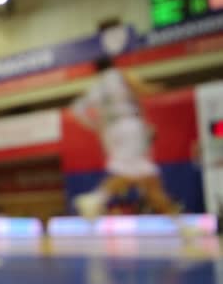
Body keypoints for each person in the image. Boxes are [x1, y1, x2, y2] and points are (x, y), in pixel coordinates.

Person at [70, 58, 180, 219]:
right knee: (129, 171)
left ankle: (180, 224)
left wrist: (96, 126)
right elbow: (143, 89)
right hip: (129, 126)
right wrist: (163, 87)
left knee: (150, 182)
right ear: (113, 65)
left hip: (110, 131)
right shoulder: (121, 76)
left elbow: (77, 109)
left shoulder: (95, 87)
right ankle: (95, 198)